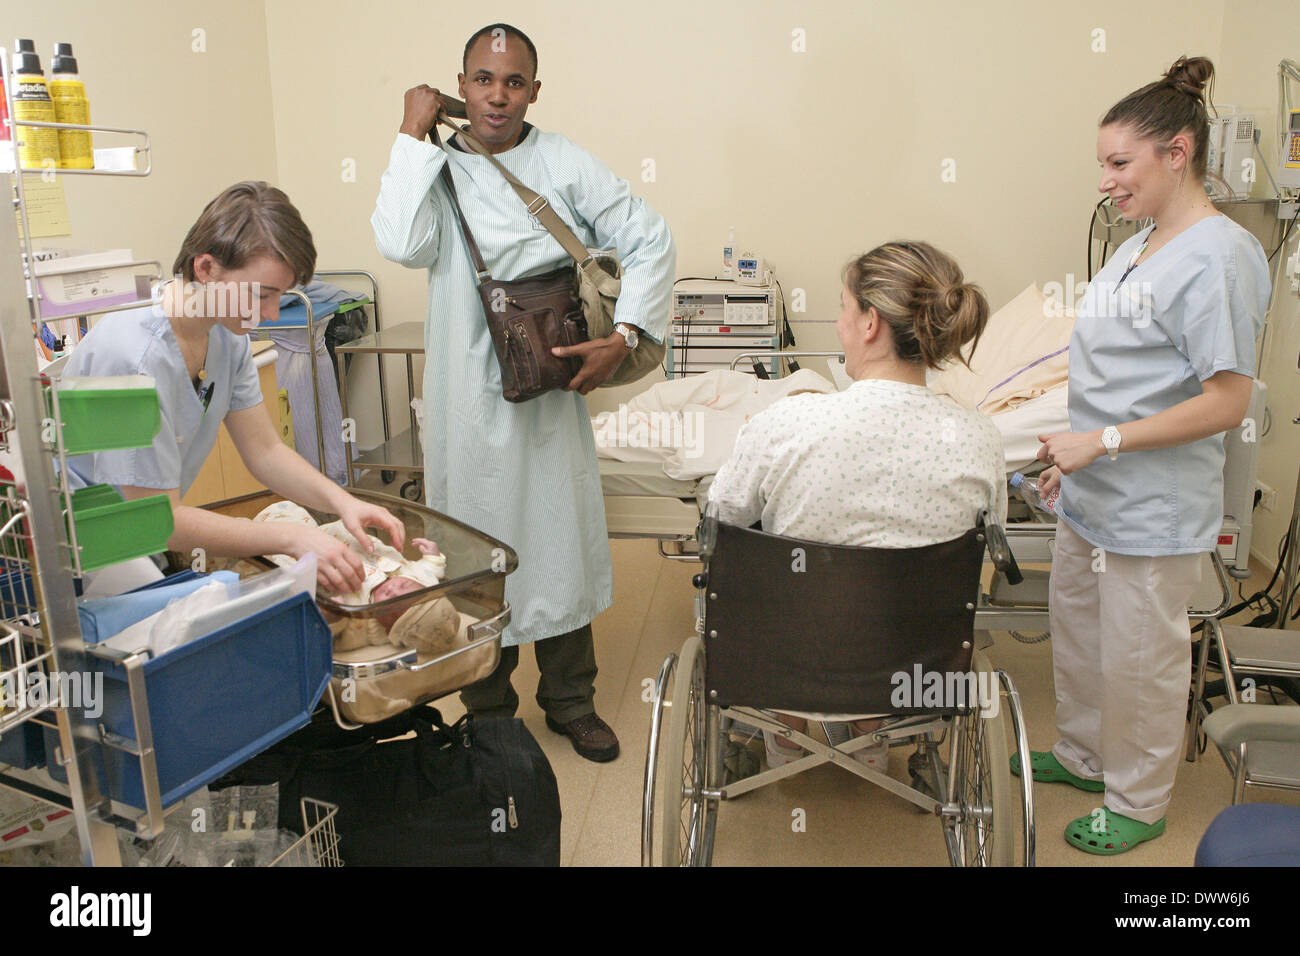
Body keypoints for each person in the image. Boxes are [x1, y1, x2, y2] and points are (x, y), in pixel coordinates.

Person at [371, 23, 675, 762]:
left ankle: (572, 700)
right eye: (481, 79)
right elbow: (399, 243)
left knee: (557, 535)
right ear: (461, 86)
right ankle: (490, 709)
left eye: (513, 82)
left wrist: (627, 332)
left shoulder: (563, 161)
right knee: (477, 546)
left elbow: (648, 237)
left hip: (545, 383)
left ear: (533, 90)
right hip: (464, 396)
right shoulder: (435, 166)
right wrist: (411, 135)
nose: (497, 96)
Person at [1029, 56, 1269, 855]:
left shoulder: (1220, 256)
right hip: (1096, 493)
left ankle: (1139, 800)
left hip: (1152, 504)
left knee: (1141, 659)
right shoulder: (1142, 243)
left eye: (1120, 163)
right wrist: (1077, 455)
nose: (1107, 180)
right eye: (1104, 164)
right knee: (1084, 636)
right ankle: (1087, 756)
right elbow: (1121, 372)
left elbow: (1226, 400)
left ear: (1178, 152)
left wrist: (1099, 442)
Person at [708, 241, 1006, 770]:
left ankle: (787, 730)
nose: (841, 324)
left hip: (786, 661)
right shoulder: (979, 438)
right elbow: (993, 534)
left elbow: (722, 519)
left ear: (870, 323)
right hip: (915, 669)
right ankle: (873, 730)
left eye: (845, 309)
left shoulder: (787, 422)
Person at [64, 181, 405, 598]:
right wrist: (289, 538)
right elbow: (159, 519)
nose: (270, 313)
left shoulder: (227, 338)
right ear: (205, 268)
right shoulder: (133, 358)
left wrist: (344, 502)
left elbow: (266, 452)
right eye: (261, 295)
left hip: (135, 545)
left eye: (280, 295)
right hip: (77, 557)